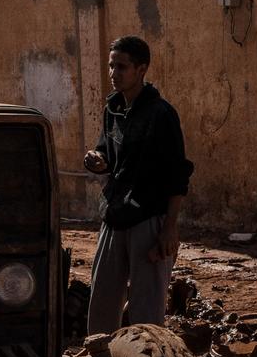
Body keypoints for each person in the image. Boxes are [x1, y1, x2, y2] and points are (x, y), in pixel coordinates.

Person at [83, 36, 193, 335]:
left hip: (148, 220)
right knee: (102, 305)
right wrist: (97, 159)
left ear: (141, 69)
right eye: (110, 65)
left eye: (121, 66)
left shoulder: (161, 114)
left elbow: (177, 174)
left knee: (146, 312)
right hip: (114, 216)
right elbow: (106, 150)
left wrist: (170, 227)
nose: (113, 73)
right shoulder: (113, 109)